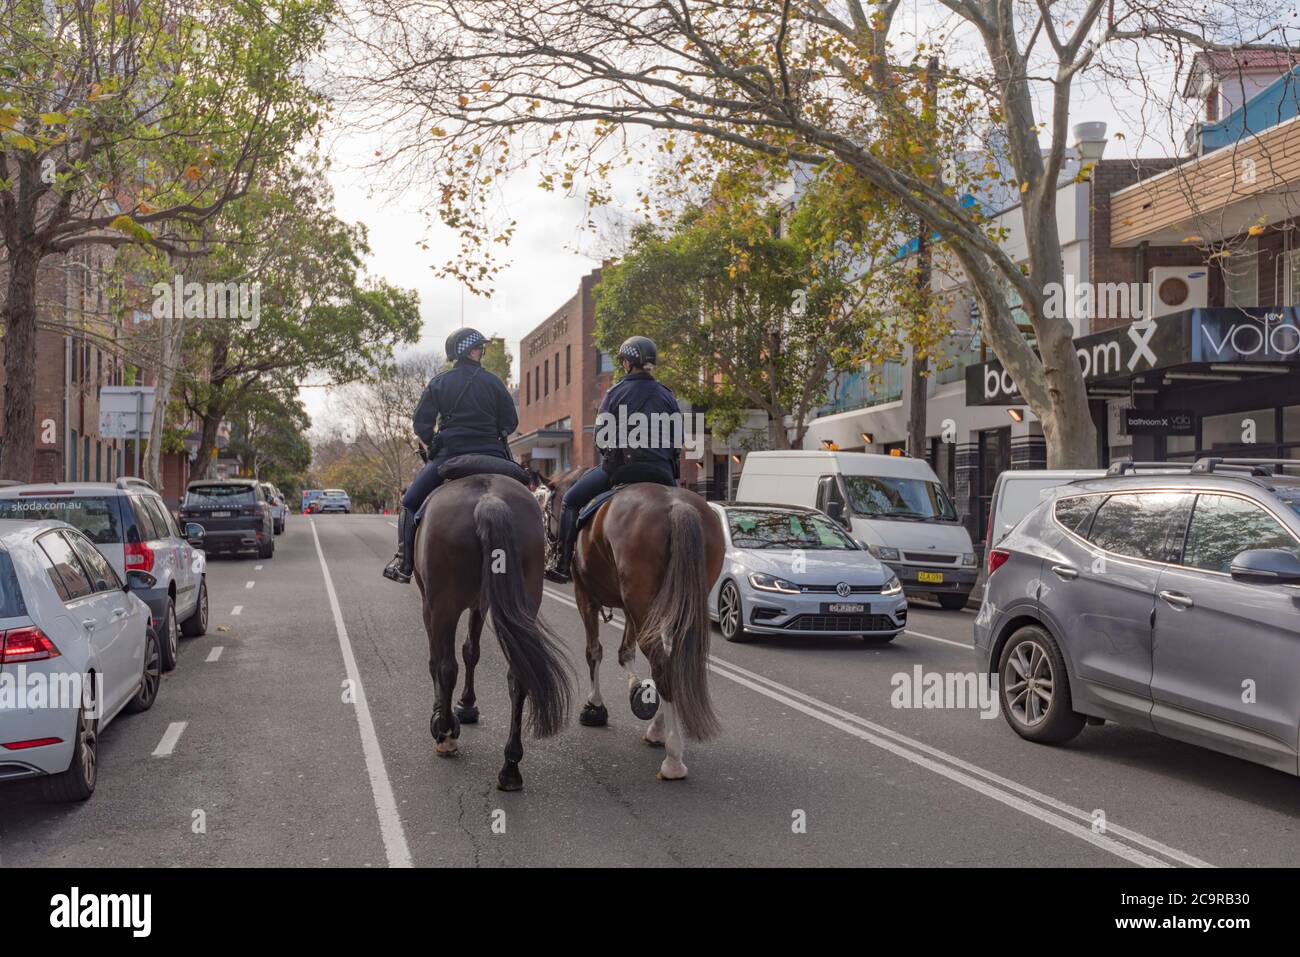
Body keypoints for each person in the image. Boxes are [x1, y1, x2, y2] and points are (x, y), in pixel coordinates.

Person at [382, 327, 518, 583]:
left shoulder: (440, 382)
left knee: (410, 503)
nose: (481, 351)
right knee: (527, 500)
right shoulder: (494, 382)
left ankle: (403, 562)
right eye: (479, 347)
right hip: (494, 455)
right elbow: (510, 421)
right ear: (472, 351)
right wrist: (495, 433)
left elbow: (421, 423)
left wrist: (434, 442)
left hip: (450, 456)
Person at [544, 335, 680, 584]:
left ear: (627, 363)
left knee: (571, 501)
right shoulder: (667, 396)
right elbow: (677, 441)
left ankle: (562, 563)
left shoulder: (615, 393)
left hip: (622, 470)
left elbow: (602, 440)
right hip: (662, 473)